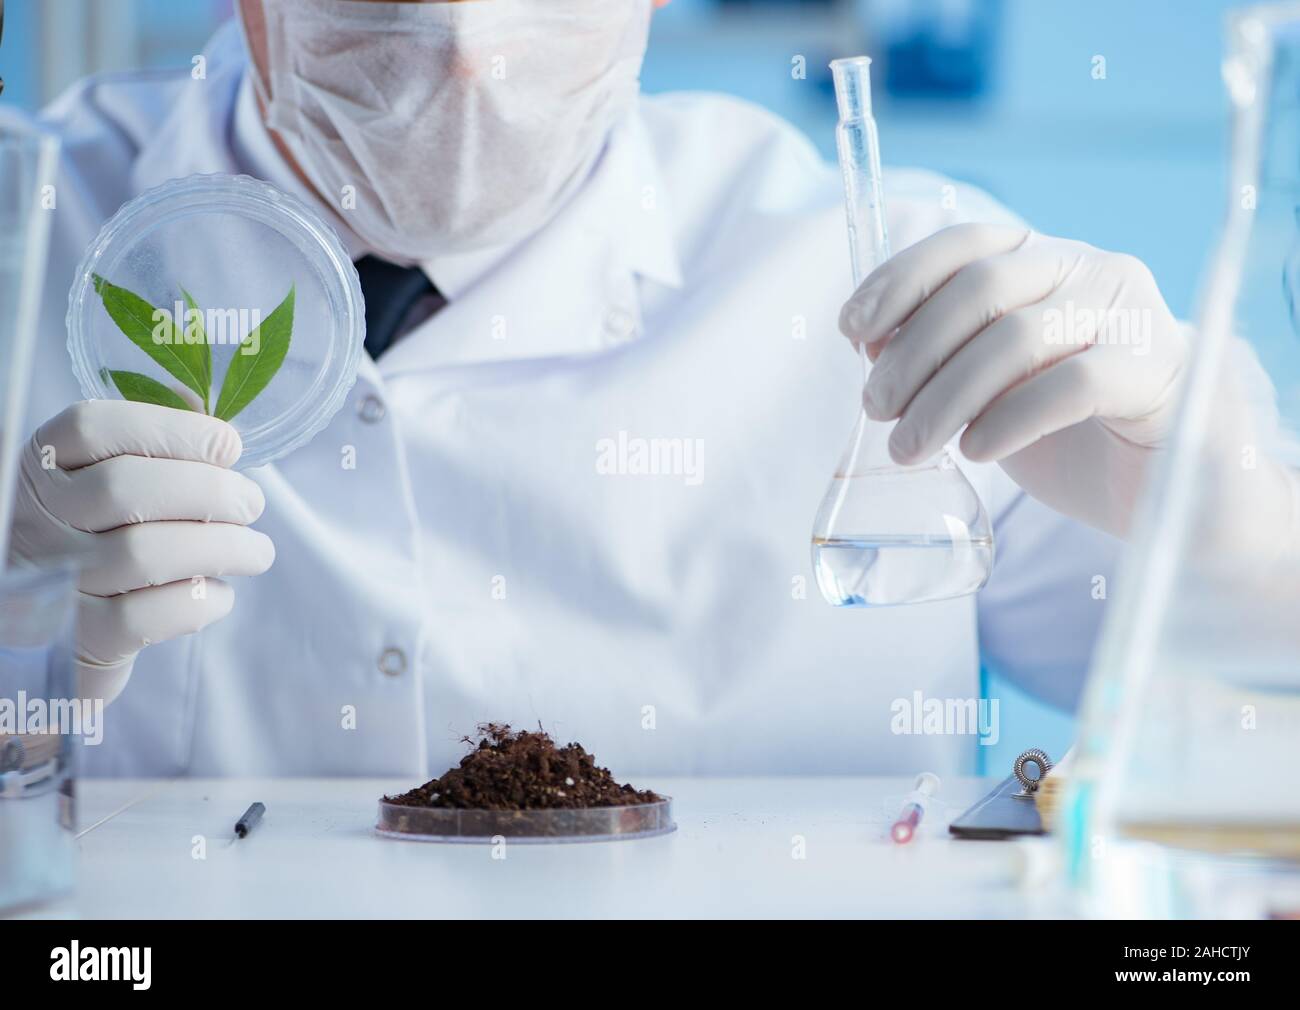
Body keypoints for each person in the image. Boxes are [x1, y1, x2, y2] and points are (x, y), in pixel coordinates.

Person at [0, 0, 1251, 777]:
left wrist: (1220, 492)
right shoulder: (27, 232)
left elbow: (1254, 725)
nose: (470, 50)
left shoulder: (892, 273)